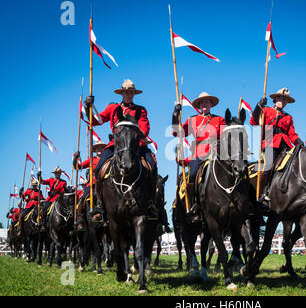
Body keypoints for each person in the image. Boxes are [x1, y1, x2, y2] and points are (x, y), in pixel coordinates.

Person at [83, 79, 158, 219]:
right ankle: (100, 203)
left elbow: (145, 129)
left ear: (134, 94)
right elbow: (95, 121)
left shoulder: (140, 110)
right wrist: (88, 106)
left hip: (136, 146)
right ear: (122, 93)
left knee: (152, 167)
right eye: (126, 92)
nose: (129, 95)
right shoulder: (112, 108)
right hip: (115, 146)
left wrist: (133, 134)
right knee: (99, 168)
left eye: (131, 92)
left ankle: (150, 202)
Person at [172, 92, 225, 222]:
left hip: (216, 153)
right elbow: (177, 132)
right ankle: (193, 205)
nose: (205, 104)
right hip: (200, 153)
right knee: (192, 174)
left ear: (211, 104)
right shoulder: (193, 120)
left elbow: (224, 137)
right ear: (199, 106)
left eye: (207, 101)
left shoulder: (219, 119)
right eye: (202, 102)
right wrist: (175, 114)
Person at [249, 87, 304, 205]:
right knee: (268, 164)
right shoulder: (266, 111)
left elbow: (292, 134)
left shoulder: (288, 117)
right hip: (269, 142)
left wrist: (298, 141)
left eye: (285, 100)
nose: (282, 101)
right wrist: (258, 107)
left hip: (285, 144)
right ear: (275, 99)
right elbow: (253, 121)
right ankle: (262, 193)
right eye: (280, 98)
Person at [72, 142, 105, 224]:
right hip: (93, 183)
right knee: (83, 198)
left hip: (105, 181)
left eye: (101, 147)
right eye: (97, 148)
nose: (99, 149)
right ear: (95, 150)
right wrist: (75, 159)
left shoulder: (107, 158)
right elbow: (78, 167)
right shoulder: (92, 160)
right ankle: (80, 218)